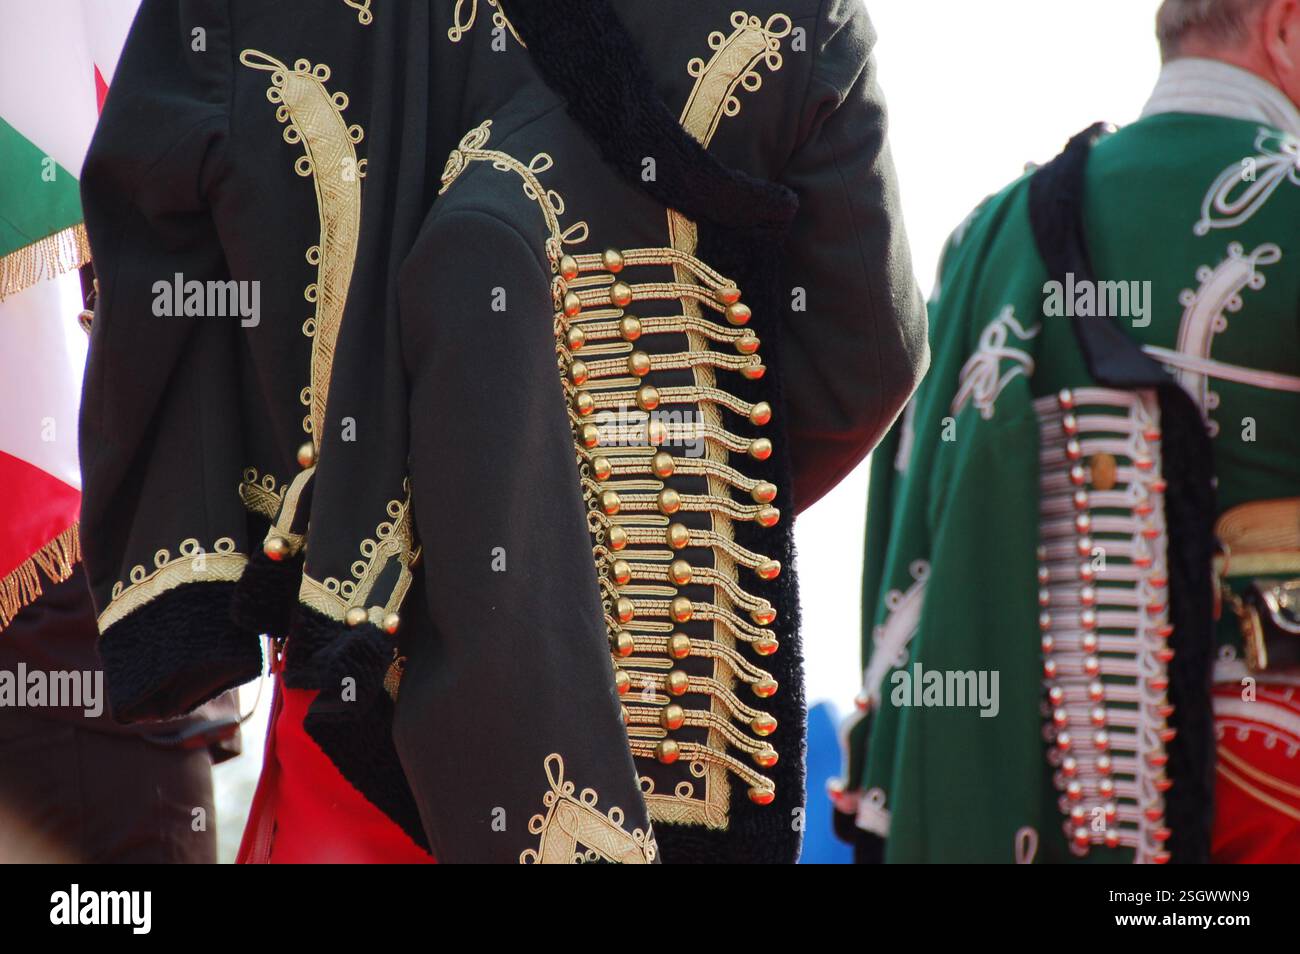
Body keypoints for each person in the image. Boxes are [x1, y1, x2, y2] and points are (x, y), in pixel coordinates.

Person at [80, 0, 925, 863]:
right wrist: (689, 484)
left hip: (359, 673)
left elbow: (148, 210)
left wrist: (193, 588)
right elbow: (873, 353)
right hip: (669, 688)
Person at [836, 0, 1300, 863]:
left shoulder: (989, 232)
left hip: (1014, 799)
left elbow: (907, 538)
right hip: (1259, 804)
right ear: (1282, 25)